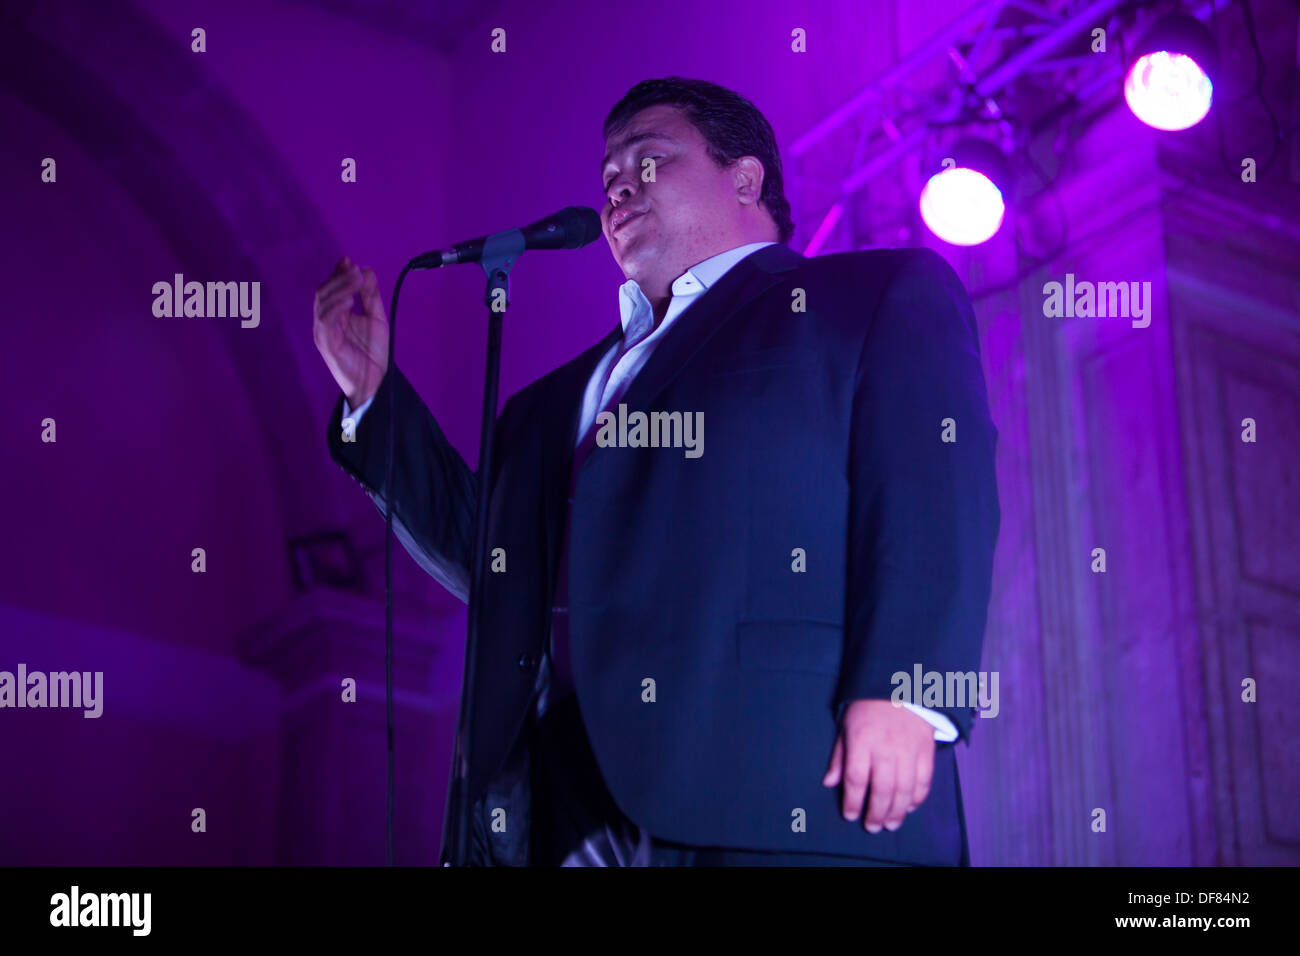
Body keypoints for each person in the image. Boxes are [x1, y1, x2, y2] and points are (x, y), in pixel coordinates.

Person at [312, 76, 1000, 866]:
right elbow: (491, 561)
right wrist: (374, 397)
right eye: (608, 178)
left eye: (649, 160)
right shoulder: (547, 404)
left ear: (744, 178)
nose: (619, 190)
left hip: (780, 788)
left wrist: (907, 688)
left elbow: (933, 492)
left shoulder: (861, 299)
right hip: (557, 814)